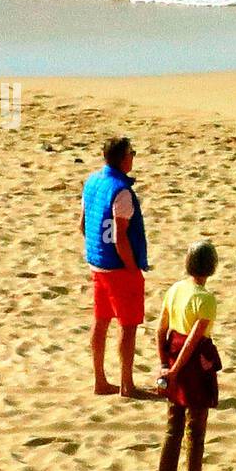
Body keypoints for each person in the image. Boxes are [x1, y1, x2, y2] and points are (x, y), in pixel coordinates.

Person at [79, 136, 149, 396]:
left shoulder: (92, 182)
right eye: (132, 153)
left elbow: (83, 225)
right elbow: (121, 237)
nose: (133, 156)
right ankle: (127, 384)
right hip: (118, 267)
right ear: (123, 158)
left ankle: (100, 380)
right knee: (127, 325)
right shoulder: (121, 191)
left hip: (97, 263)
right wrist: (132, 267)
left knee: (101, 320)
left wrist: (96, 251)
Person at [155, 241, 222, 471]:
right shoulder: (205, 299)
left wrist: (165, 366)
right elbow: (193, 341)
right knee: (196, 430)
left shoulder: (176, 289)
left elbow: (161, 330)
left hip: (173, 353)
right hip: (191, 363)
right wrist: (174, 370)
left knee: (173, 428)